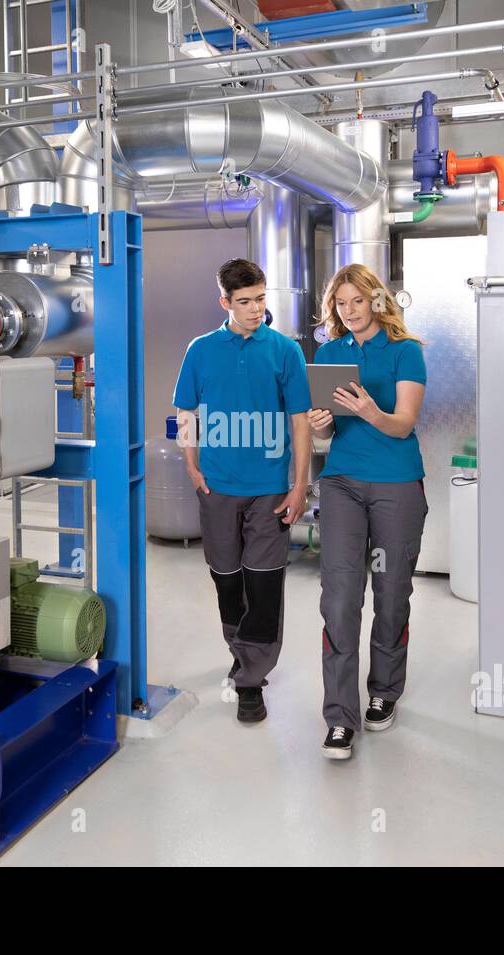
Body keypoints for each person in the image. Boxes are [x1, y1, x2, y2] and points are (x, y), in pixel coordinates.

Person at [173, 258, 312, 724]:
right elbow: (186, 413)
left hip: (270, 489)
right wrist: (192, 467)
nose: (256, 309)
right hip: (217, 487)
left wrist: (299, 485)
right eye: (245, 302)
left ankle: (252, 678)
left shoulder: (285, 351)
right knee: (227, 579)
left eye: (260, 299)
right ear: (225, 303)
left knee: (265, 581)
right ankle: (240, 649)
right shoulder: (201, 349)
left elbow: (299, 422)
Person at [308, 263, 428, 759]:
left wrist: (366, 411)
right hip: (341, 483)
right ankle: (339, 717)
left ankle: (384, 691)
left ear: (376, 301)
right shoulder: (330, 353)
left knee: (391, 592)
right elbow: (326, 433)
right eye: (341, 303)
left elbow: (401, 425)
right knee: (339, 597)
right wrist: (320, 424)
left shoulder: (406, 352)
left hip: (397, 483)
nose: (349, 311)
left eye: (358, 301)